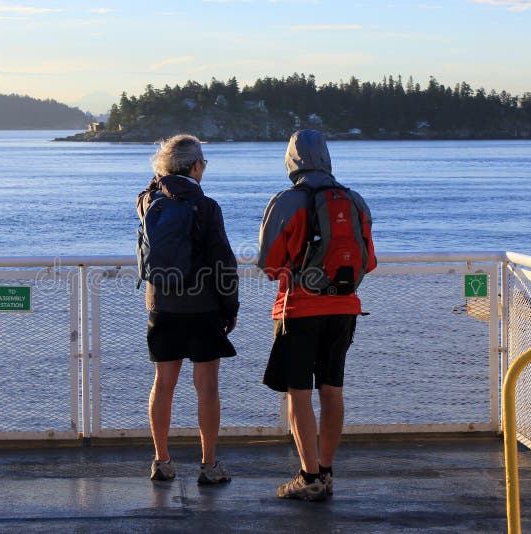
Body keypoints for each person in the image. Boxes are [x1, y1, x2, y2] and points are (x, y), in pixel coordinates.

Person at [257, 129, 376, 501]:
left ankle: (308, 477)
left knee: (299, 393)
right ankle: (326, 471)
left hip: (299, 308)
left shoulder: (287, 201)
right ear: (326, 157)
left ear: (291, 161)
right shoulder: (355, 201)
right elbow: (368, 262)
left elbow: (269, 264)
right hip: (345, 308)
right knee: (332, 389)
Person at [136, 134, 239, 485]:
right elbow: (223, 262)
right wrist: (231, 306)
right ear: (195, 166)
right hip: (203, 308)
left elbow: (147, 192)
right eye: (203, 163)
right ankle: (208, 466)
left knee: (163, 385)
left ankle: (161, 461)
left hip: (162, 306)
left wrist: (161, 175)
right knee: (206, 387)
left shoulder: (150, 202)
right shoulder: (207, 207)